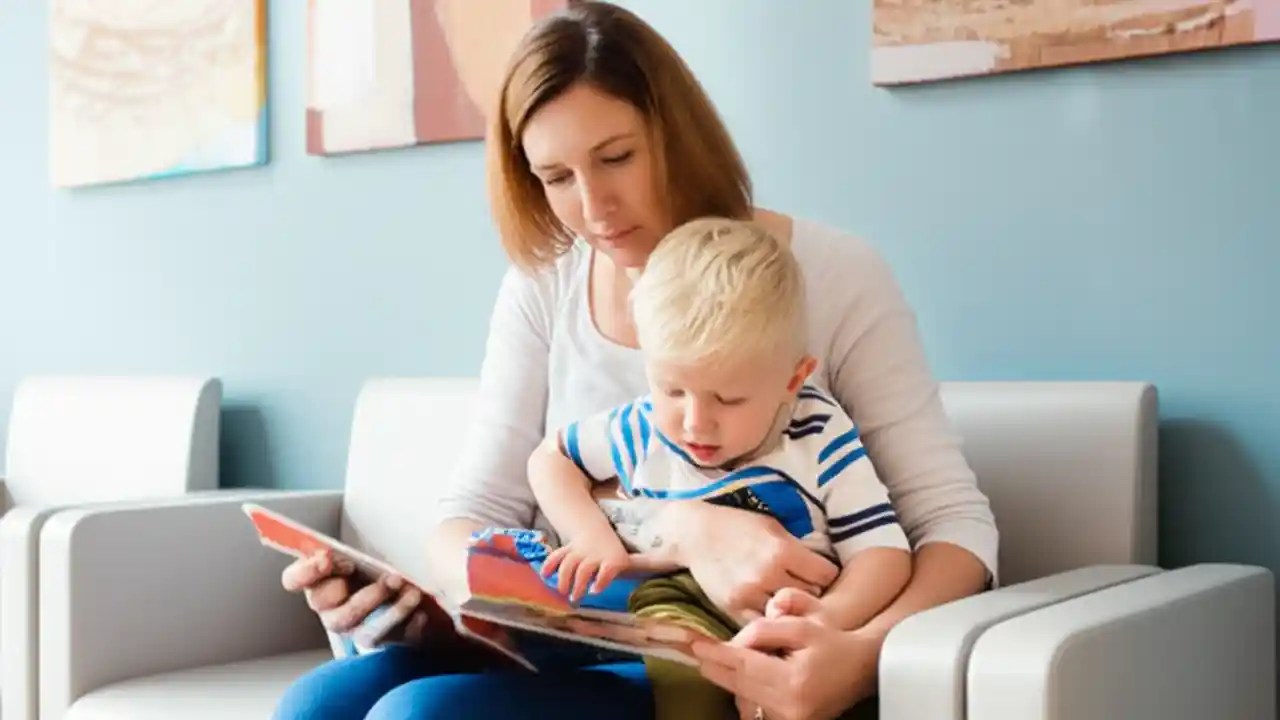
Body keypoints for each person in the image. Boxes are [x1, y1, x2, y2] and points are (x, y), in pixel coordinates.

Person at [273, 3, 997, 719]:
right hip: (589, 633)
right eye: (556, 177)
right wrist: (426, 611)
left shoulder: (828, 277)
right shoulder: (544, 286)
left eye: (616, 158)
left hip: (716, 661)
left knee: (420, 716)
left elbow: (954, 526)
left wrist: (859, 657)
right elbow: (474, 514)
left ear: (675, 136)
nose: (594, 209)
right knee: (320, 701)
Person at [525, 216, 913, 719]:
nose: (694, 423)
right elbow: (551, 459)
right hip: (679, 601)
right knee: (689, 673)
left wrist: (828, 617)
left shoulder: (817, 432)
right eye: (672, 389)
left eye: (729, 399)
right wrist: (589, 533)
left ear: (793, 379)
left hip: (799, 613)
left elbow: (883, 553)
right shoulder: (640, 426)